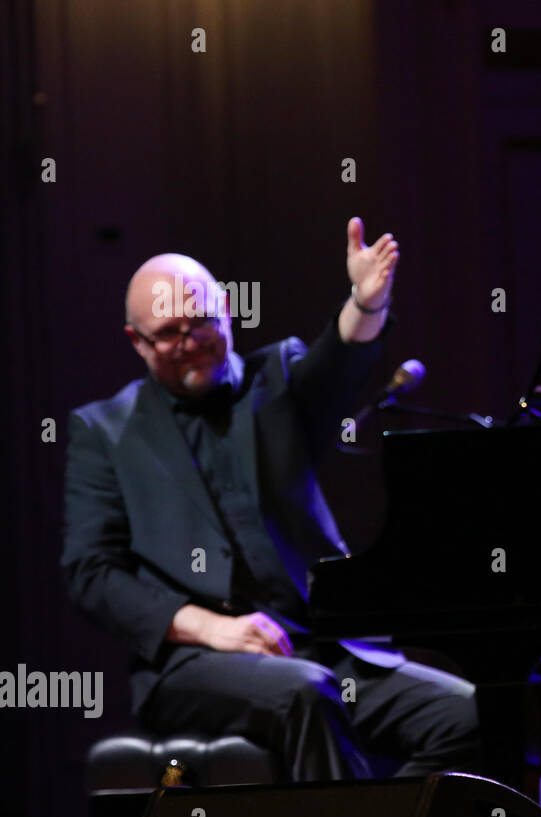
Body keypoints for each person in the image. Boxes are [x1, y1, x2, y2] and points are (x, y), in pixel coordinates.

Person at [62, 217, 481, 782]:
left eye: (203, 320)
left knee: (470, 715)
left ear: (228, 307)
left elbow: (337, 363)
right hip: (195, 665)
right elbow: (90, 572)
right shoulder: (103, 430)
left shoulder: (277, 378)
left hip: (323, 648)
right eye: (168, 333)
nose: (190, 342)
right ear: (136, 341)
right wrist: (210, 628)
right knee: (306, 695)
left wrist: (365, 301)